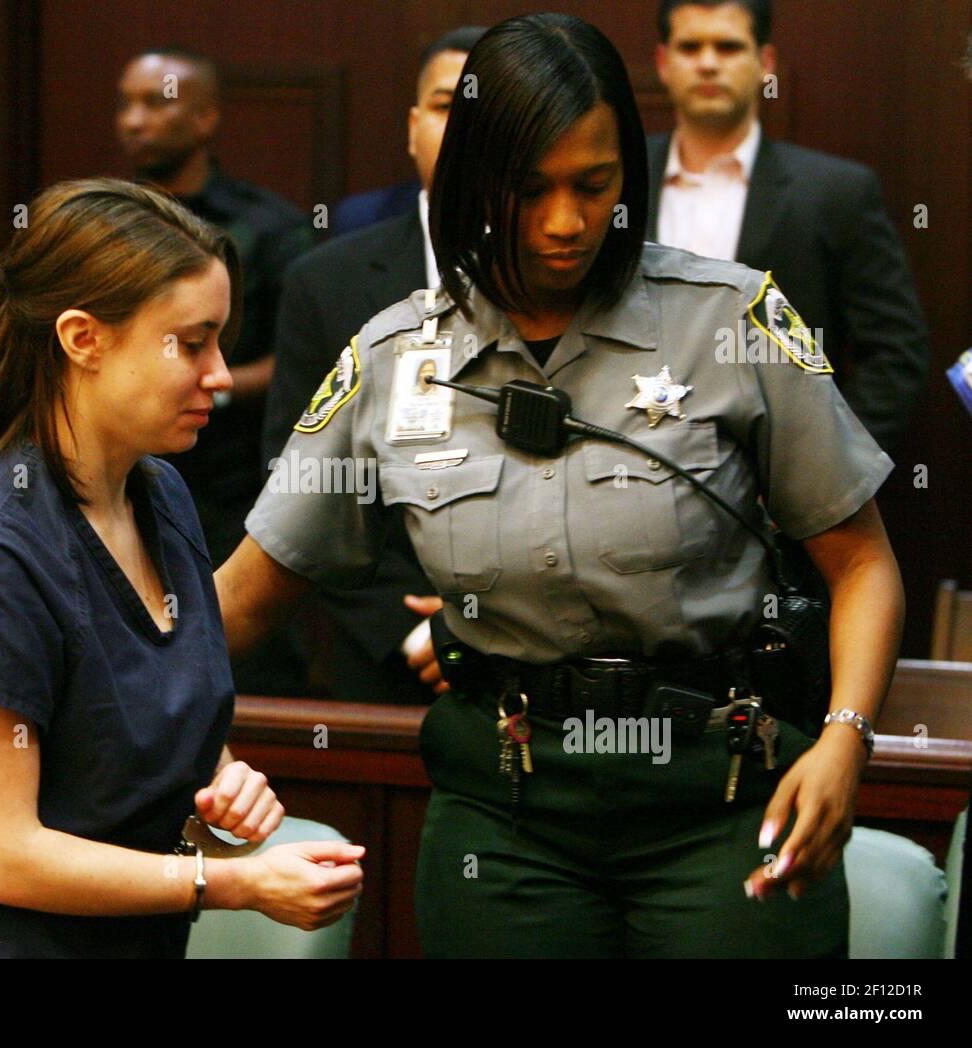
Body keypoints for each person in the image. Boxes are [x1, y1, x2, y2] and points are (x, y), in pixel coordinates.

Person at [216, 14, 904, 958]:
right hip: (505, 819)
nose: (566, 223)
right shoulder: (393, 358)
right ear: (469, 181)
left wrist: (846, 739)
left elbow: (861, 559)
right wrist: (83, 681)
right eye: (527, 189)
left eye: (594, 184)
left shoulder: (732, 320)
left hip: (720, 796)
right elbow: (246, 598)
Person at [0, 178, 363, 958]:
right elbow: (1, 858)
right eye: (191, 343)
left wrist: (221, 792)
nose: (223, 374)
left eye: (221, 341)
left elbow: (144, 726)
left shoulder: (159, 495)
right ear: (82, 339)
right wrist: (230, 882)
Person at [261, 26, 485, 704]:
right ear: (414, 127)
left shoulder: (570, 274)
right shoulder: (324, 283)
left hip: (549, 653)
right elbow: (299, 479)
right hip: (387, 654)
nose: (468, 129)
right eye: (449, 106)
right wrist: (408, 628)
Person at [117, 48, 314, 696]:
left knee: (239, 676)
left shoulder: (271, 227)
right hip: (121, 481)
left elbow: (305, 360)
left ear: (205, 119)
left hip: (231, 490)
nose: (134, 120)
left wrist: (207, 389)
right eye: (126, 104)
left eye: (156, 101)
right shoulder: (107, 229)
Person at [649, 0, 929, 456]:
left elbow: (895, 354)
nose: (707, 62)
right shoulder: (617, 180)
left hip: (781, 487)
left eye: (728, 46)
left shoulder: (838, 192)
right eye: (690, 46)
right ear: (663, 62)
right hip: (630, 477)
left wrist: (826, 478)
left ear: (766, 63)